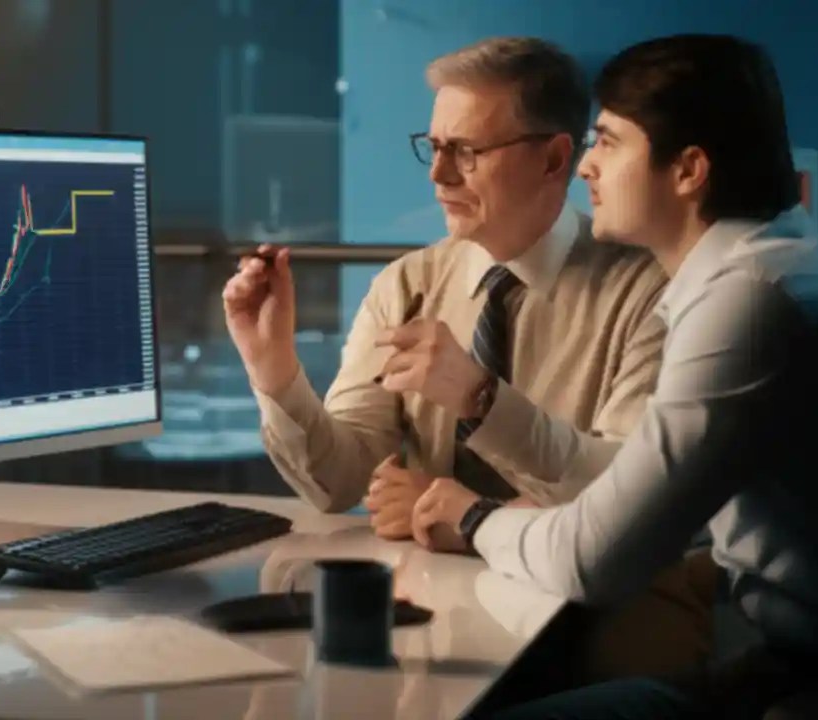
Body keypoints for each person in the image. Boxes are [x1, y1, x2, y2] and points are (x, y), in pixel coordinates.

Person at [408, 33, 818, 718]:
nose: (586, 167)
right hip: (798, 662)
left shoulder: (751, 303)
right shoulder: (783, 262)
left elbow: (593, 562)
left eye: (607, 142)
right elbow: (648, 494)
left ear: (688, 170)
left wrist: (471, 516)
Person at [223, 37, 715, 681]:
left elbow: (626, 504)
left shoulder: (649, 290)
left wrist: (471, 459)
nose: (438, 174)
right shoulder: (405, 285)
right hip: (444, 622)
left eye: (468, 152)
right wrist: (274, 370)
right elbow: (339, 482)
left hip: (610, 634)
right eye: (434, 146)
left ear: (555, 159)